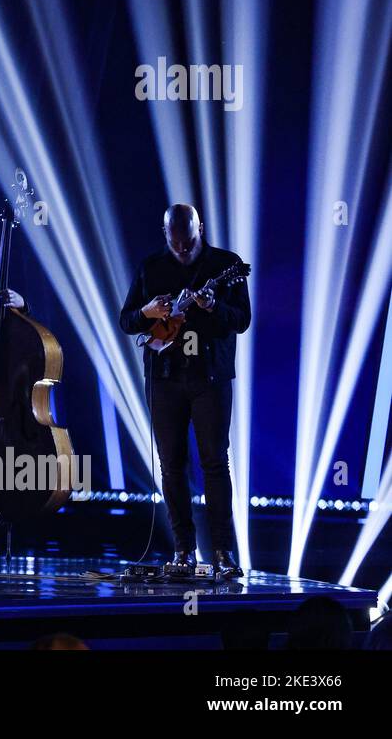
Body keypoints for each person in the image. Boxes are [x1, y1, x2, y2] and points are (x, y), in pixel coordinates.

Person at [118, 204, 250, 577]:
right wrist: (148, 312)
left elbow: (242, 320)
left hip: (210, 377)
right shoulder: (150, 267)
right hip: (164, 377)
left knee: (214, 462)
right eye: (174, 242)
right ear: (165, 235)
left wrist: (213, 307)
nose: (181, 248)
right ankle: (184, 549)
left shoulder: (226, 265)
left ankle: (223, 551)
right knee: (171, 464)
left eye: (187, 241)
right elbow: (127, 321)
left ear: (200, 230)